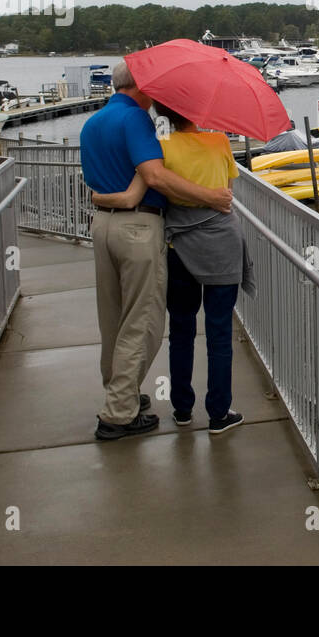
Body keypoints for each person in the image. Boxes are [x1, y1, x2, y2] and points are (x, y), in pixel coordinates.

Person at [80, 62, 233, 441]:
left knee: (112, 318)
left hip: (103, 224)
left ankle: (122, 393)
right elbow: (155, 175)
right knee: (142, 321)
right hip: (137, 227)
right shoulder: (135, 121)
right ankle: (118, 414)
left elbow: (94, 181)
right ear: (139, 87)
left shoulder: (93, 122)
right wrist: (212, 197)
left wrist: (109, 197)